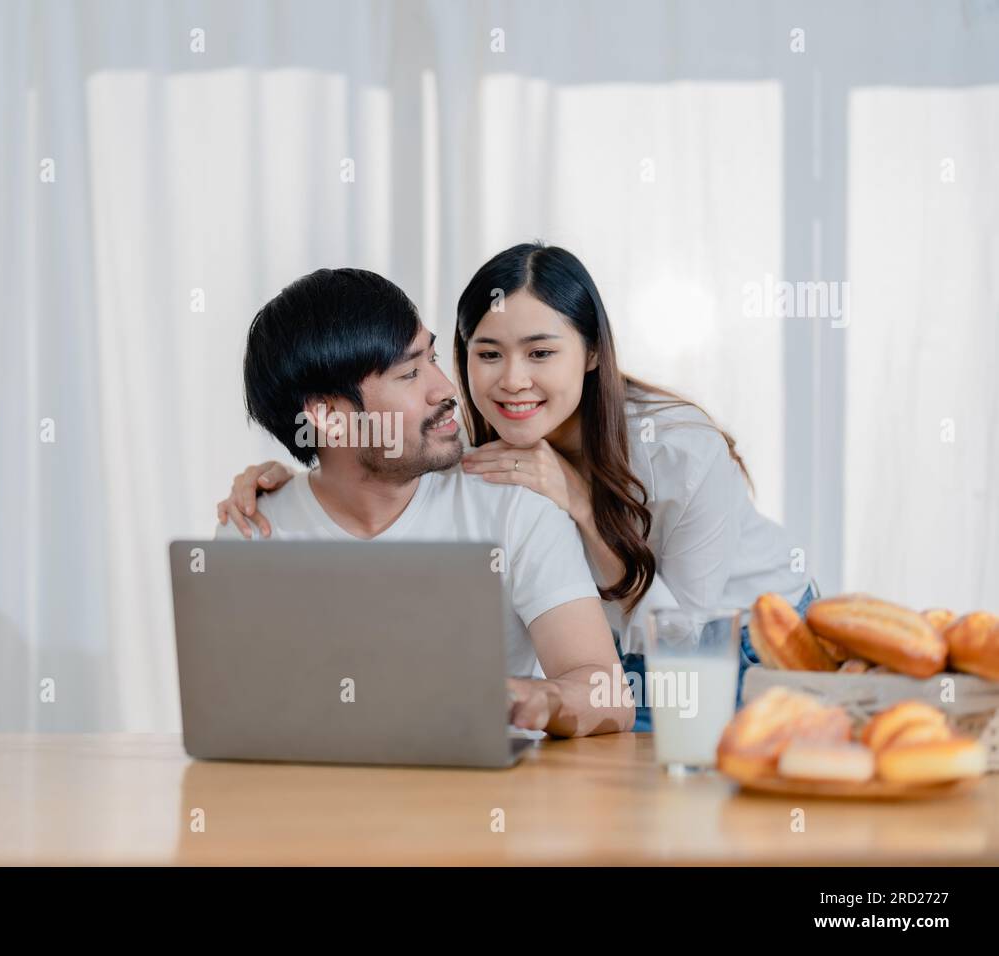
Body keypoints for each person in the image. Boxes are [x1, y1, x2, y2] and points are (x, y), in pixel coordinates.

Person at [219, 244, 815, 732]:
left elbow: (684, 634)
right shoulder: (481, 435)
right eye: (485, 354)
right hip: (620, 656)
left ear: (591, 353)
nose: (510, 380)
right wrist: (292, 482)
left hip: (738, 644)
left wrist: (579, 505)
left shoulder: (678, 449)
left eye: (541, 352)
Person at [216, 266, 633, 738]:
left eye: (432, 358)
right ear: (329, 418)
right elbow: (238, 713)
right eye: (410, 373)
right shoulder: (252, 530)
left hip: (483, 803)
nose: (445, 388)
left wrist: (541, 697)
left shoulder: (515, 503)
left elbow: (610, 698)